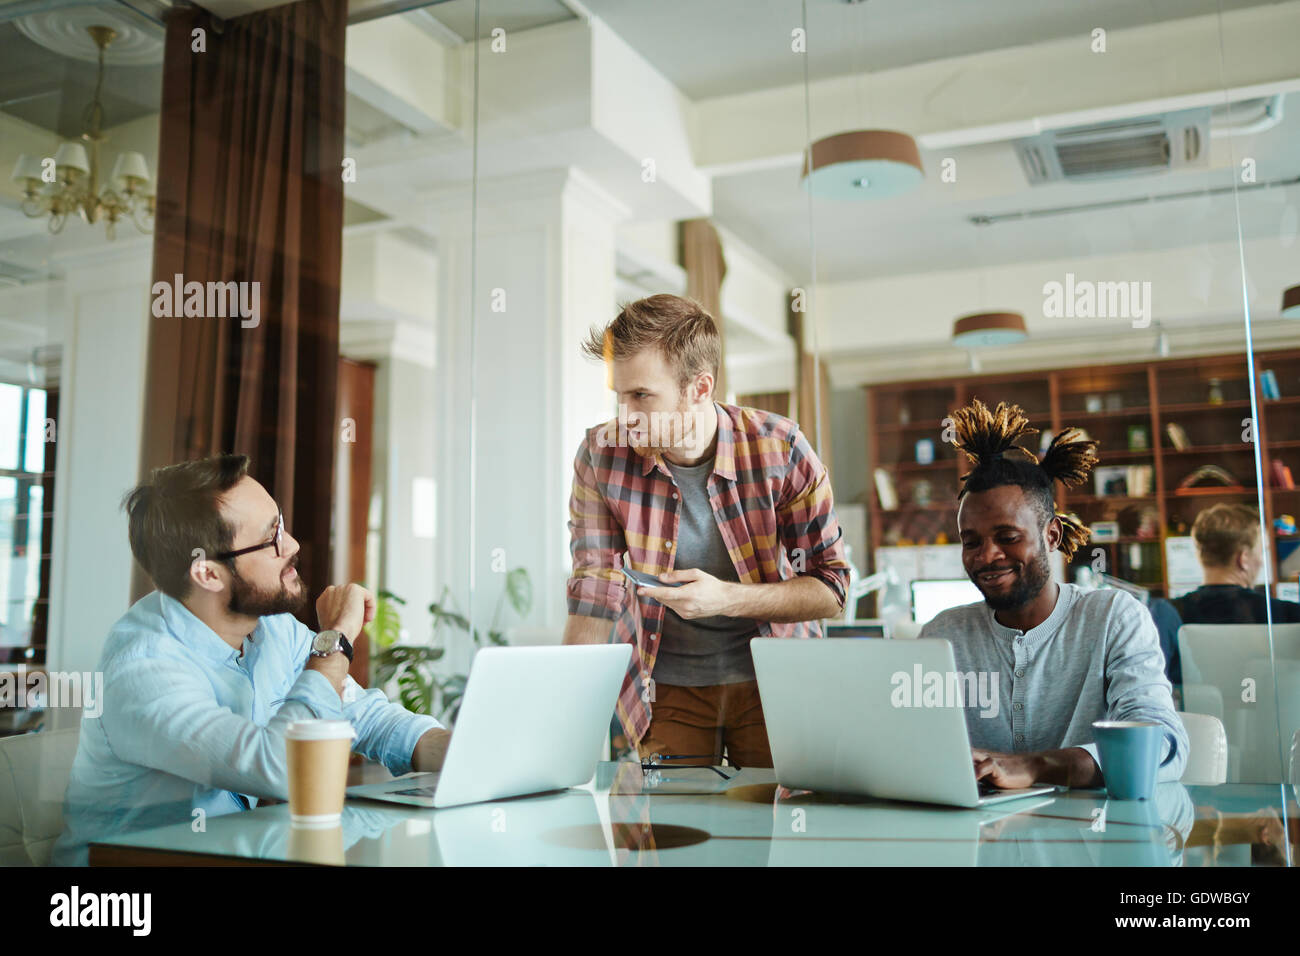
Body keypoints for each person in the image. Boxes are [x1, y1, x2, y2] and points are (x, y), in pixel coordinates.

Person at [52, 455, 450, 865]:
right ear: (208, 574)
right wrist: (335, 640)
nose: (292, 545)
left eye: (282, 523)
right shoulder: (143, 669)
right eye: (271, 537)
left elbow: (363, 715)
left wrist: (452, 752)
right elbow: (283, 767)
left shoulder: (271, 628)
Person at [563, 294, 850, 768]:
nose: (624, 414)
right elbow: (595, 589)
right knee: (671, 834)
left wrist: (725, 599)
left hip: (772, 682)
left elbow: (831, 590)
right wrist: (561, 707)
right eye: (619, 394)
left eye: (640, 396)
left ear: (700, 388)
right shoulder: (601, 454)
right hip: (667, 688)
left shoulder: (781, 449)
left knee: (770, 827)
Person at [919, 400, 1187, 789]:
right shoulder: (943, 635)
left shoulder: (1113, 618)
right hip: (981, 842)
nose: (987, 556)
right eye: (971, 542)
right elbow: (911, 747)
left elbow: (1161, 742)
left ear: (1052, 536)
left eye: (1007, 538)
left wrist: (1035, 766)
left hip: (1097, 839)